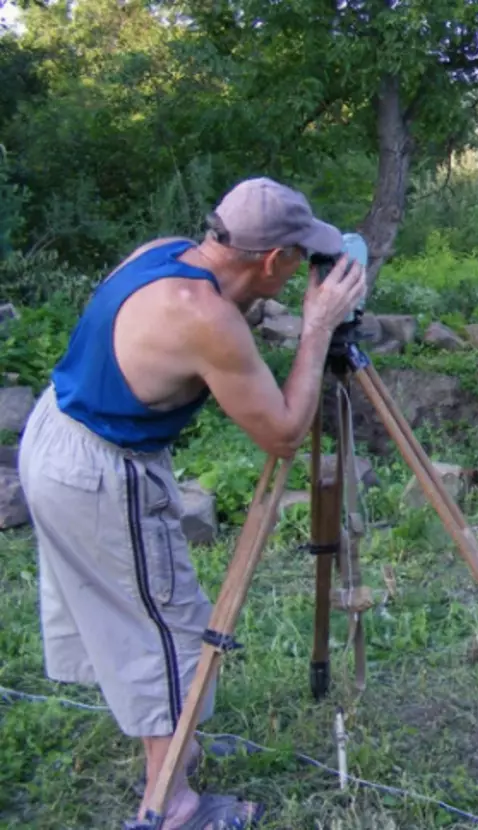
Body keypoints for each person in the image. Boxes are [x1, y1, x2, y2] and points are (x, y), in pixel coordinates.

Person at [17, 177, 367, 829]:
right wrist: (317, 327)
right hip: (100, 468)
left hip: (58, 430)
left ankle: (175, 746)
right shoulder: (205, 318)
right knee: (168, 629)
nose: (305, 271)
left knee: (133, 610)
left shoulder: (168, 252)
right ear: (271, 260)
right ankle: (171, 804)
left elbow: (217, 330)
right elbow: (286, 433)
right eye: (300, 257)